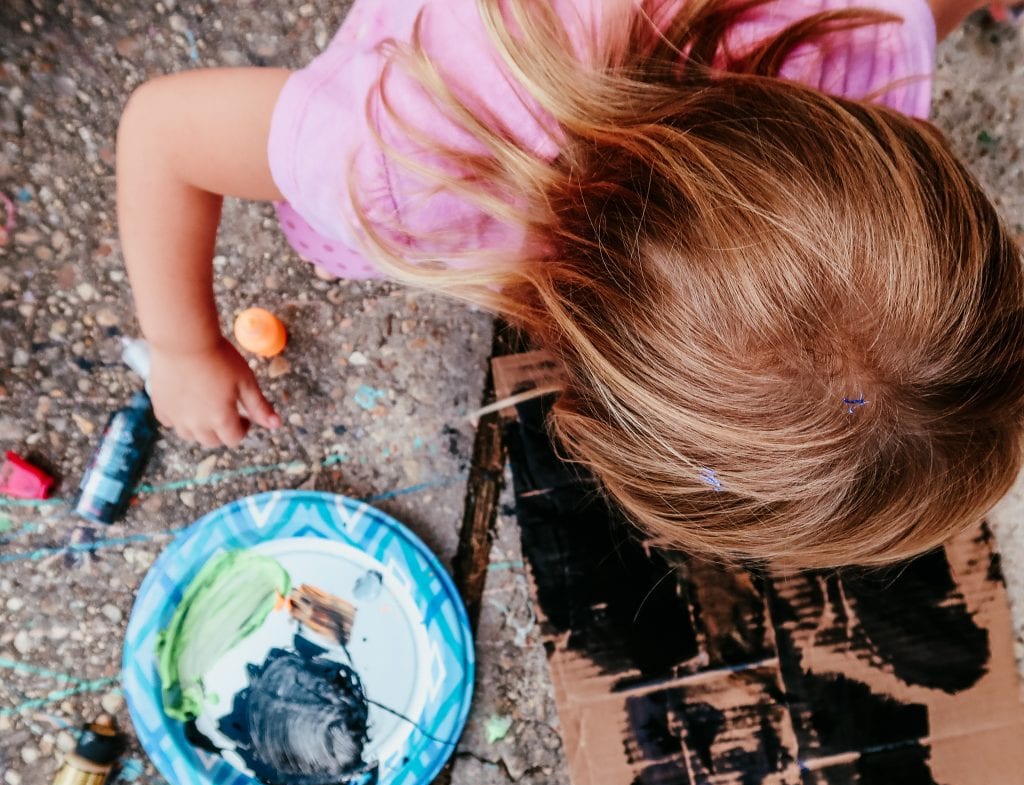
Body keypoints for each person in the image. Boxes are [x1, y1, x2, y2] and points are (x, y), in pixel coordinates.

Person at [115, 0, 1024, 569]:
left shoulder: (870, 45)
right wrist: (183, 345)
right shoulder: (399, 167)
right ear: (589, 416)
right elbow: (162, 130)